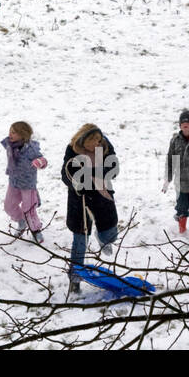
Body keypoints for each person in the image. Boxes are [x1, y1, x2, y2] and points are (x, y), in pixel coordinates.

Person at [61, 123, 119, 292]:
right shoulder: (72, 150)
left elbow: (114, 169)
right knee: (79, 241)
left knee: (110, 234)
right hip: (80, 200)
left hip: (102, 196)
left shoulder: (105, 148)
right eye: (92, 140)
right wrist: (76, 183)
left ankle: (103, 238)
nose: (96, 144)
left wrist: (97, 173)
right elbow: (65, 173)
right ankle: (75, 279)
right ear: (83, 139)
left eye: (98, 140)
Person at [3, 121, 50, 242]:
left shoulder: (31, 149)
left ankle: (35, 230)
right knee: (9, 206)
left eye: (14, 132)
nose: (10, 134)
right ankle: (21, 221)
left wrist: (39, 162)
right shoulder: (10, 145)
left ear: (22, 135)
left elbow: (43, 160)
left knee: (29, 209)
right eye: (10, 131)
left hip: (28, 185)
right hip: (13, 182)